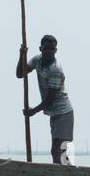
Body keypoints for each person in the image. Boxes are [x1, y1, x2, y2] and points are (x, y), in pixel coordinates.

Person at [17, 34, 74, 164]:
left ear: (56, 50)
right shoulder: (37, 61)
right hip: (54, 113)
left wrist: (33, 111)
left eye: (51, 49)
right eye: (46, 49)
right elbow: (20, 74)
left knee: (59, 151)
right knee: (57, 151)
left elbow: (50, 100)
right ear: (40, 48)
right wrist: (22, 55)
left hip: (63, 113)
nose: (48, 52)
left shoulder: (55, 70)